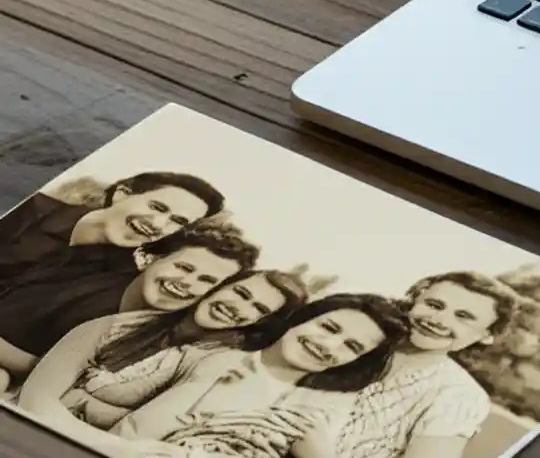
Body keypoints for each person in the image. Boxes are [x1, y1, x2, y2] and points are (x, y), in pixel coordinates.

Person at [111, 293, 408, 458]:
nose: (329, 346)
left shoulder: (325, 410)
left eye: (352, 346)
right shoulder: (222, 362)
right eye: (328, 328)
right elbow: (132, 438)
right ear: (303, 319)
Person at [18, 269, 309, 432]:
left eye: (258, 309)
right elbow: (35, 396)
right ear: (219, 286)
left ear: (259, 323)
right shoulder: (125, 325)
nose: (238, 307)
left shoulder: (220, 364)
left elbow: (133, 437)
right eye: (240, 293)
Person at [0, 222, 258, 389]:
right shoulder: (82, 282)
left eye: (206, 281)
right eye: (183, 267)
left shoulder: (175, 331)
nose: (186, 283)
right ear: (149, 258)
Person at [332, 271, 525, 458]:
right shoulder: (358, 341)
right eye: (434, 305)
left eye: (463, 316)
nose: (438, 320)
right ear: (414, 301)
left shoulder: (459, 396)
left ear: (488, 335)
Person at [0, 171, 226, 281]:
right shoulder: (30, 209)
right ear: (122, 194)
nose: (158, 224)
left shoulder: (119, 278)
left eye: (177, 221)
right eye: (157, 207)